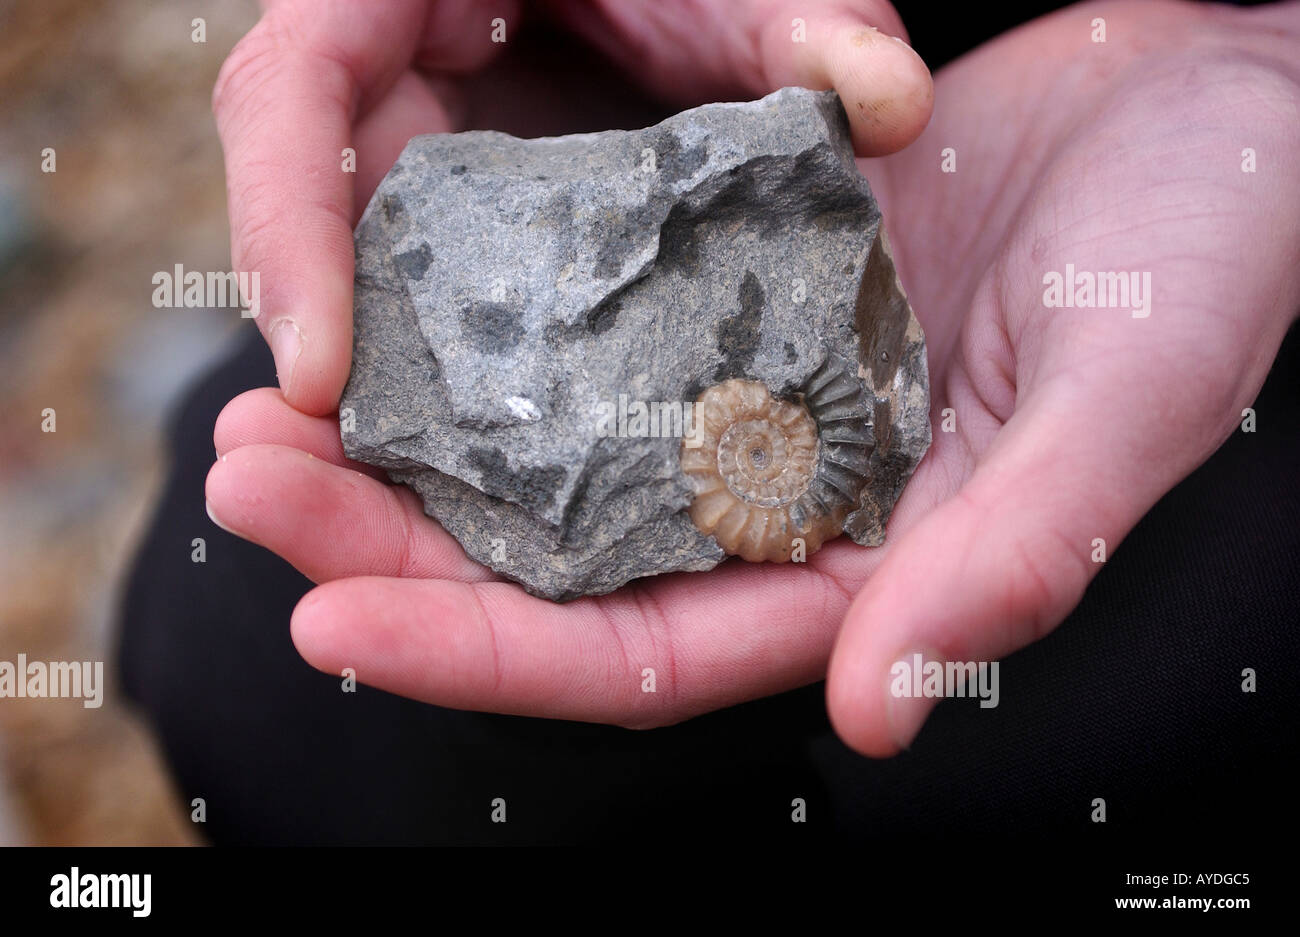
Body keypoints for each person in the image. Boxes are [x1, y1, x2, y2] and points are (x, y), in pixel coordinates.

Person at [121, 0, 1299, 844]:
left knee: (1100, 738)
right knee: (248, 666)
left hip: (1098, 147)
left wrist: (1269, 61)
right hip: (713, 94)